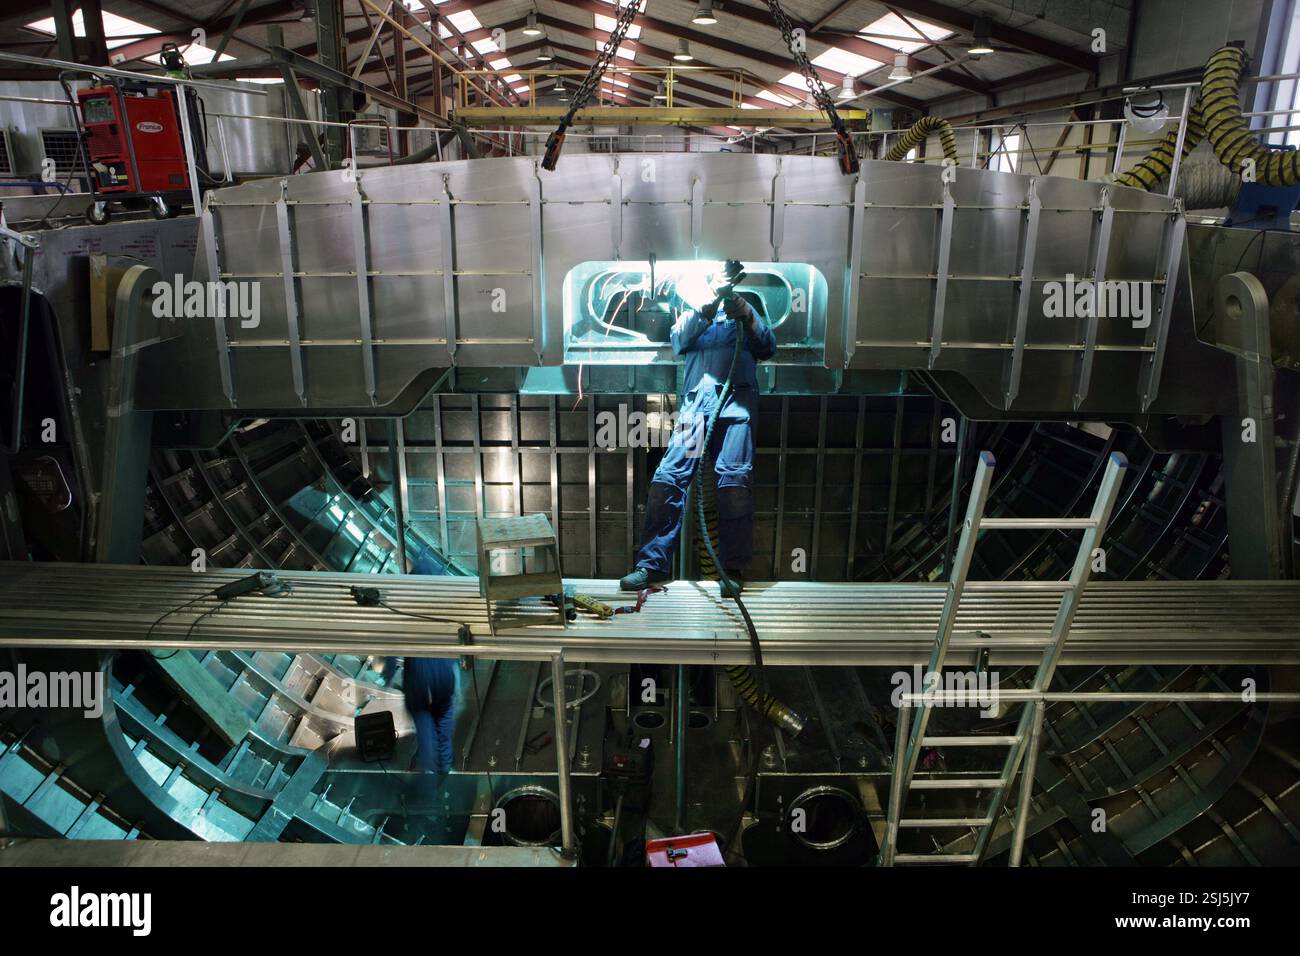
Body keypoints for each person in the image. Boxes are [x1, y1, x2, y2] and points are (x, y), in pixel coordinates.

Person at [619, 264, 776, 594]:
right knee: (667, 480)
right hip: (695, 410)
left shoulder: (749, 309)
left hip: (736, 409)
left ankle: (731, 569)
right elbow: (678, 340)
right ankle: (651, 565)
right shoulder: (692, 312)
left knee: (734, 484)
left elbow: (767, 345)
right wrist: (709, 304)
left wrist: (746, 313)